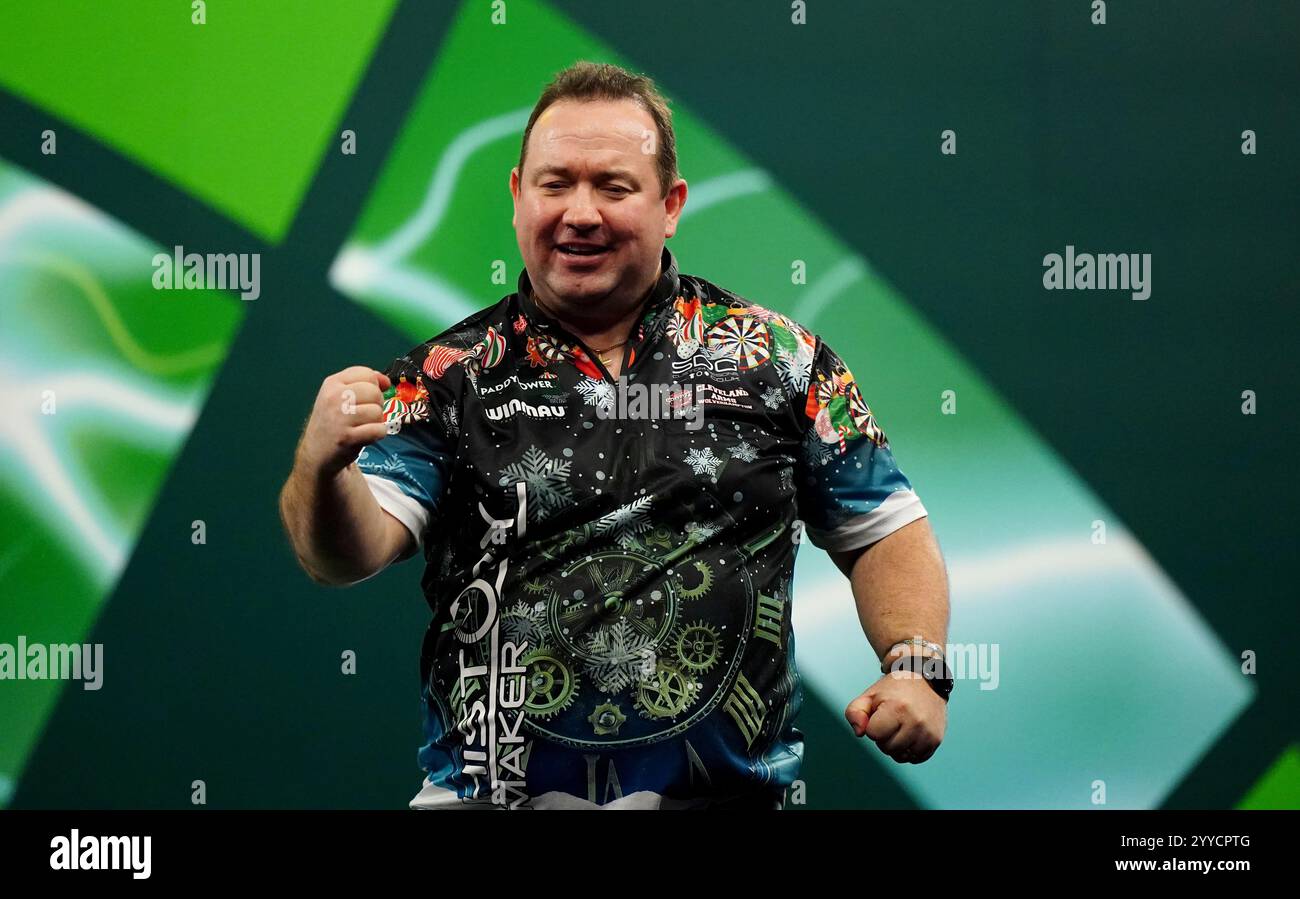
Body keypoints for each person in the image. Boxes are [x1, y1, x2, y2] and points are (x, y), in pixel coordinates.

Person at [279, 61, 951, 810]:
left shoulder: (780, 361)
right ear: (516, 196)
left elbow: (885, 528)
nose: (580, 212)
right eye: (555, 183)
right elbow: (343, 555)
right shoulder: (443, 376)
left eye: (614, 186)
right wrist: (321, 467)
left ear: (671, 205)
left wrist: (917, 667)